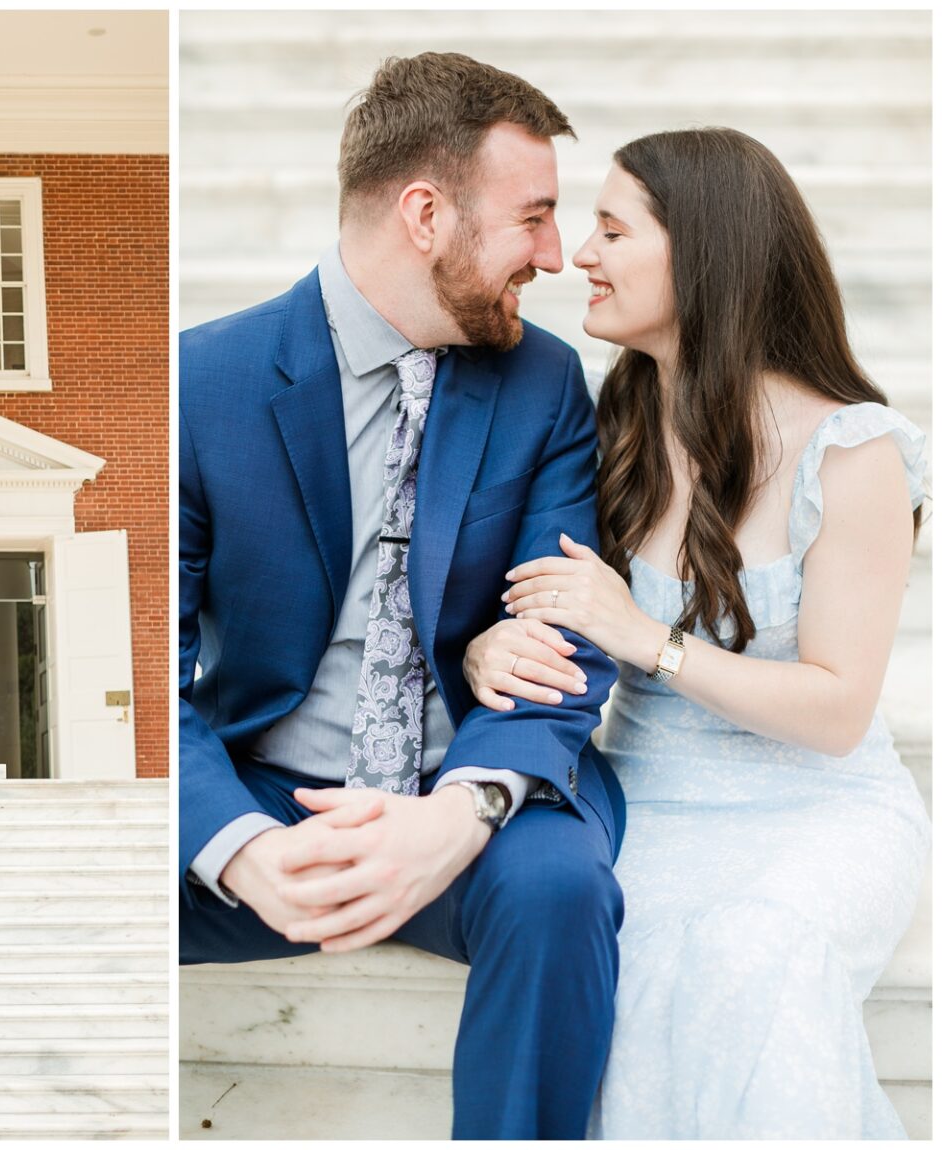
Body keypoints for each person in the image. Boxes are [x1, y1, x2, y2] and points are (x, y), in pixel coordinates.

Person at [179, 51, 626, 1139]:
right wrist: (237, 845)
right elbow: (137, 658)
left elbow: (564, 629)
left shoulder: (545, 384)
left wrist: (460, 813)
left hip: (463, 785)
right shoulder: (201, 384)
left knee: (560, 890)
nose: (555, 255)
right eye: (533, 218)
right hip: (263, 792)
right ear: (425, 215)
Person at [462, 127, 930, 1138]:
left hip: (818, 809)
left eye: (612, 230)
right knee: (619, 963)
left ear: (705, 254)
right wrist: (482, 648)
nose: (579, 255)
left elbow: (837, 711)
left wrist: (649, 638)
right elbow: (518, 598)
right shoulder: (607, 426)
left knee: (754, 954)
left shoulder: (853, 453)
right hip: (645, 804)